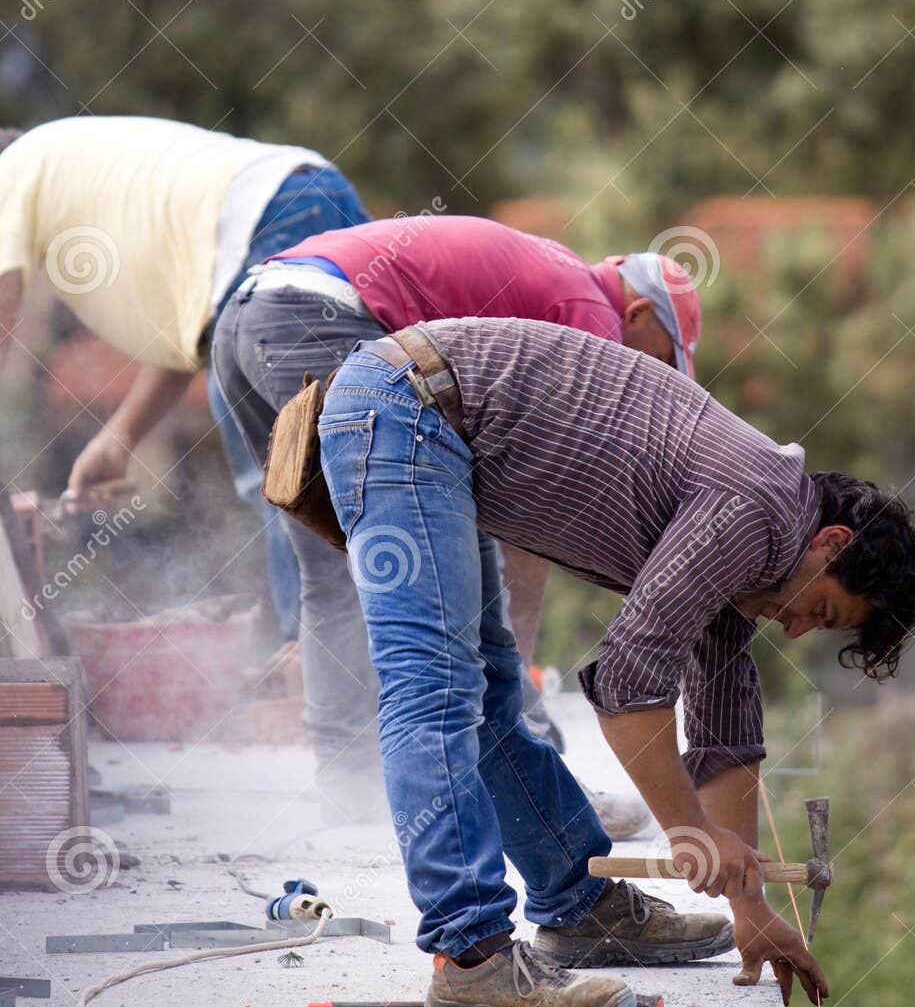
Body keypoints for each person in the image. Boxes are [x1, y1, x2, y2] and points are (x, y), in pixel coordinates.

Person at [314, 316, 915, 1007]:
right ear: (829, 542)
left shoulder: (757, 557)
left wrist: (749, 908)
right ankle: (472, 962)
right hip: (410, 408)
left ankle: (578, 906)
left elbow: (725, 733)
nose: (793, 629)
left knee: (484, 698)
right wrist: (689, 833)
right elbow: (627, 682)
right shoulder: (755, 509)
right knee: (436, 689)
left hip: (430, 420)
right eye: (819, 611)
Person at [211, 213, 699, 821]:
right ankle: (541, 795)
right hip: (318, 319)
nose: (655, 377)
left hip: (246, 316)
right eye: (661, 359)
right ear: (638, 316)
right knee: (455, 562)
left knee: (330, 568)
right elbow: (535, 513)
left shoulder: (554, 270)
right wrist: (517, 664)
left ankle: (349, 787)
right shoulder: (592, 316)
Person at [0, 118, 368, 638]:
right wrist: (121, 434)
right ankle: (377, 675)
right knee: (361, 459)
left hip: (273, 223)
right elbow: (185, 337)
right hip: (311, 198)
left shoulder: (9, 172)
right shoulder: (87, 190)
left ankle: (323, 675)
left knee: (288, 472)